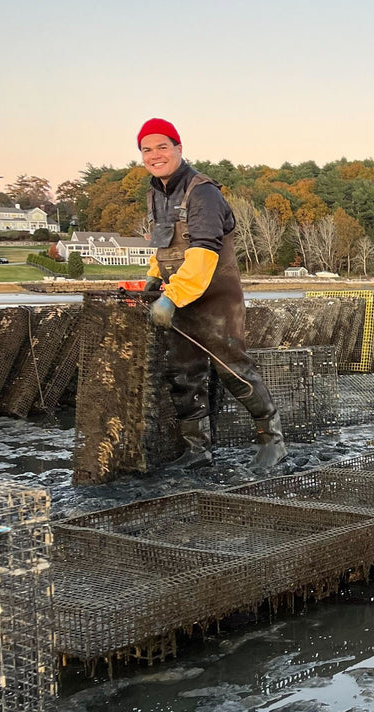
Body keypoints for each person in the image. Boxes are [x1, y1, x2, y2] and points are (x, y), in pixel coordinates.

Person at [138, 117, 286, 471]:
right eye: (147, 149)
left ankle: (273, 441)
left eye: (162, 146)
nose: (155, 155)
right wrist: (153, 279)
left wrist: (172, 297)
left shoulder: (201, 191)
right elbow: (166, 247)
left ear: (179, 148)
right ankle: (197, 450)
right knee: (183, 375)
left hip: (216, 301)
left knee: (234, 370)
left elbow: (203, 253)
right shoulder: (156, 193)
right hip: (178, 299)